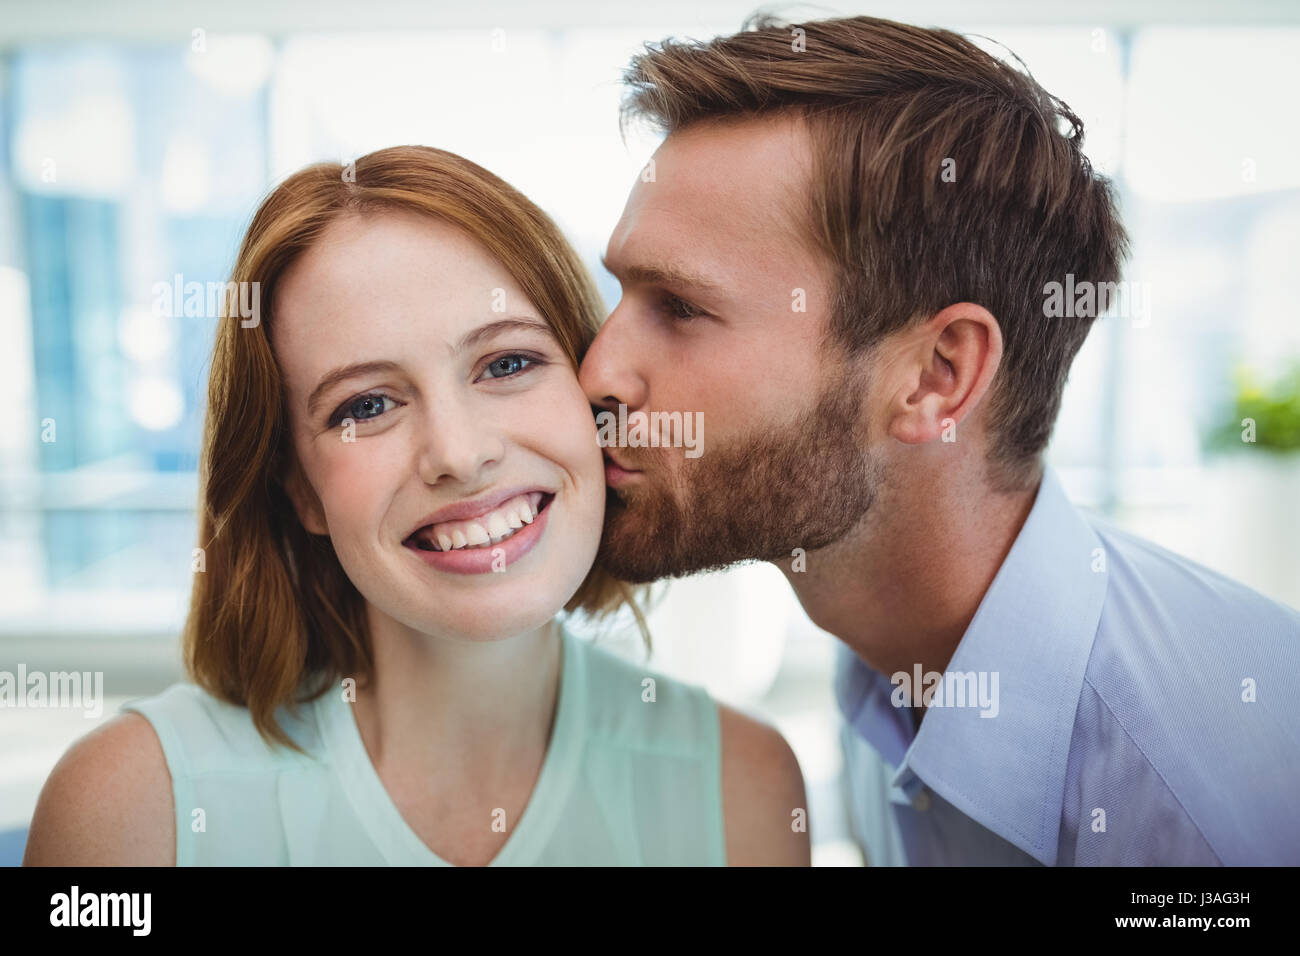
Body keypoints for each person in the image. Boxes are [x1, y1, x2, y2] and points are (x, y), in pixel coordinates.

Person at [581, 14, 1300, 865]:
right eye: (621, 293)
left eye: (682, 309)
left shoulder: (1198, 812)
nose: (597, 374)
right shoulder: (885, 672)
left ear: (934, 378)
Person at [22, 145, 809, 867]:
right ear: (299, 489)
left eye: (506, 362)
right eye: (365, 406)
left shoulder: (742, 792)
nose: (459, 455)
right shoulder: (128, 813)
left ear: (590, 393)